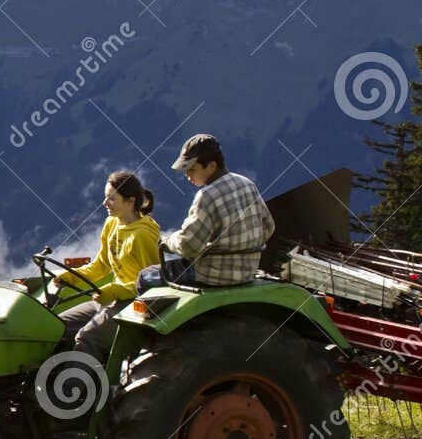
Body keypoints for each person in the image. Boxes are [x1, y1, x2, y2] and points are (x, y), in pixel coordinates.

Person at [137, 133, 274, 293]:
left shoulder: (207, 195)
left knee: (145, 276)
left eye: (192, 169)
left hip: (211, 275)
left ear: (212, 166)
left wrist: (167, 241)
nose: (187, 175)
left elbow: (188, 245)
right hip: (248, 271)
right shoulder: (247, 184)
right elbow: (269, 227)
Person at [53, 170, 162, 362]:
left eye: (112, 199)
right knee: (56, 326)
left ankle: (81, 390)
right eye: (106, 197)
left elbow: (152, 284)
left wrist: (113, 292)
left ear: (130, 201)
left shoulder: (143, 235)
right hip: (111, 299)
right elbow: (100, 266)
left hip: (134, 304)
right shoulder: (111, 224)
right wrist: (67, 277)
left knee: (87, 337)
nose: (105, 203)